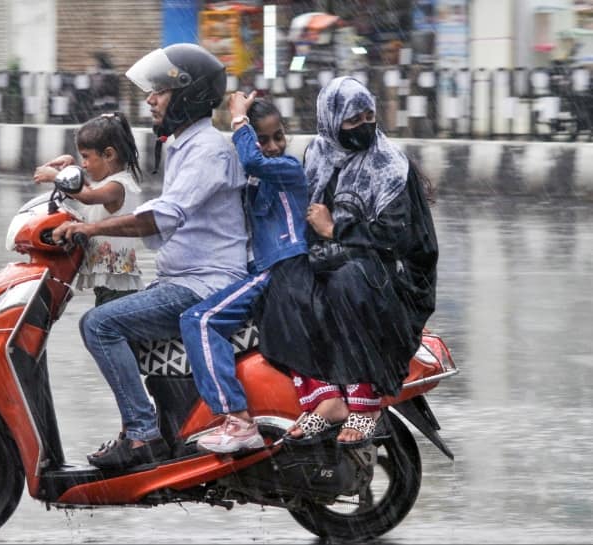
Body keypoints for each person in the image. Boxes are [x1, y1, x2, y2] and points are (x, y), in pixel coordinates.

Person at [52, 43, 248, 470]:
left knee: (100, 325)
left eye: (159, 91)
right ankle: (166, 425)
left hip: (204, 284)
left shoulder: (208, 150)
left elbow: (159, 218)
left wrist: (90, 228)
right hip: (182, 279)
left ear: (189, 95)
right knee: (115, 319)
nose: (150, 99)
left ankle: (143, 435)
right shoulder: (183, 146)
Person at [257, 76, 438, 445]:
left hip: (395, 278)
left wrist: (336, 229)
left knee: (346, 279)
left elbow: (399, 239)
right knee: (281, 281)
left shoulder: (389, 166)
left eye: (369, 116)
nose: (363, 127)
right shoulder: (318, 154)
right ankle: (325, 398)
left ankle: (366, 402)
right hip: (335, 259)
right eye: (352, 121)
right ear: (331, 122)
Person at [180, 91, 309, 453]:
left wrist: (239, 119)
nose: (272, 146)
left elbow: (253, 160)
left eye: (277, 137)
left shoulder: (289, 170)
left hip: (282, 269)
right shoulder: (254, 181)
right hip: (261, 271)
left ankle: (237, 420)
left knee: (200, 321)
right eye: (264, 138)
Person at [33, 112, 145, 306]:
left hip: (117, 286)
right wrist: (69, 171)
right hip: (109, 283)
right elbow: (88, 191)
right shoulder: (111, 184)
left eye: (86, 157)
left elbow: (89, 197)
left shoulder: (118, 185)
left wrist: (55, 177)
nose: (84, 164)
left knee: (102, 326)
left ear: (109, 154)